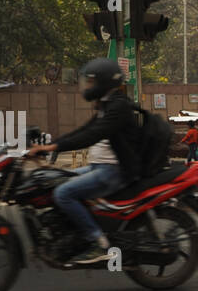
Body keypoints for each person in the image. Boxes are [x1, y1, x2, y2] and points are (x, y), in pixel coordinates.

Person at [32, 58, 139, 265]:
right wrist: (49, 146)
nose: (87, 87)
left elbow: (91, 136)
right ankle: (74, 234)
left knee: (63, 193)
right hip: (100, 167)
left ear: (104, 82)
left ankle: (98, 243)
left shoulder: (118, 107)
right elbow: (83, 130)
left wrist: (51, 147)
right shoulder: (106, 105)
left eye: (91, 82)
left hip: (113, 171)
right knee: (55, 180)